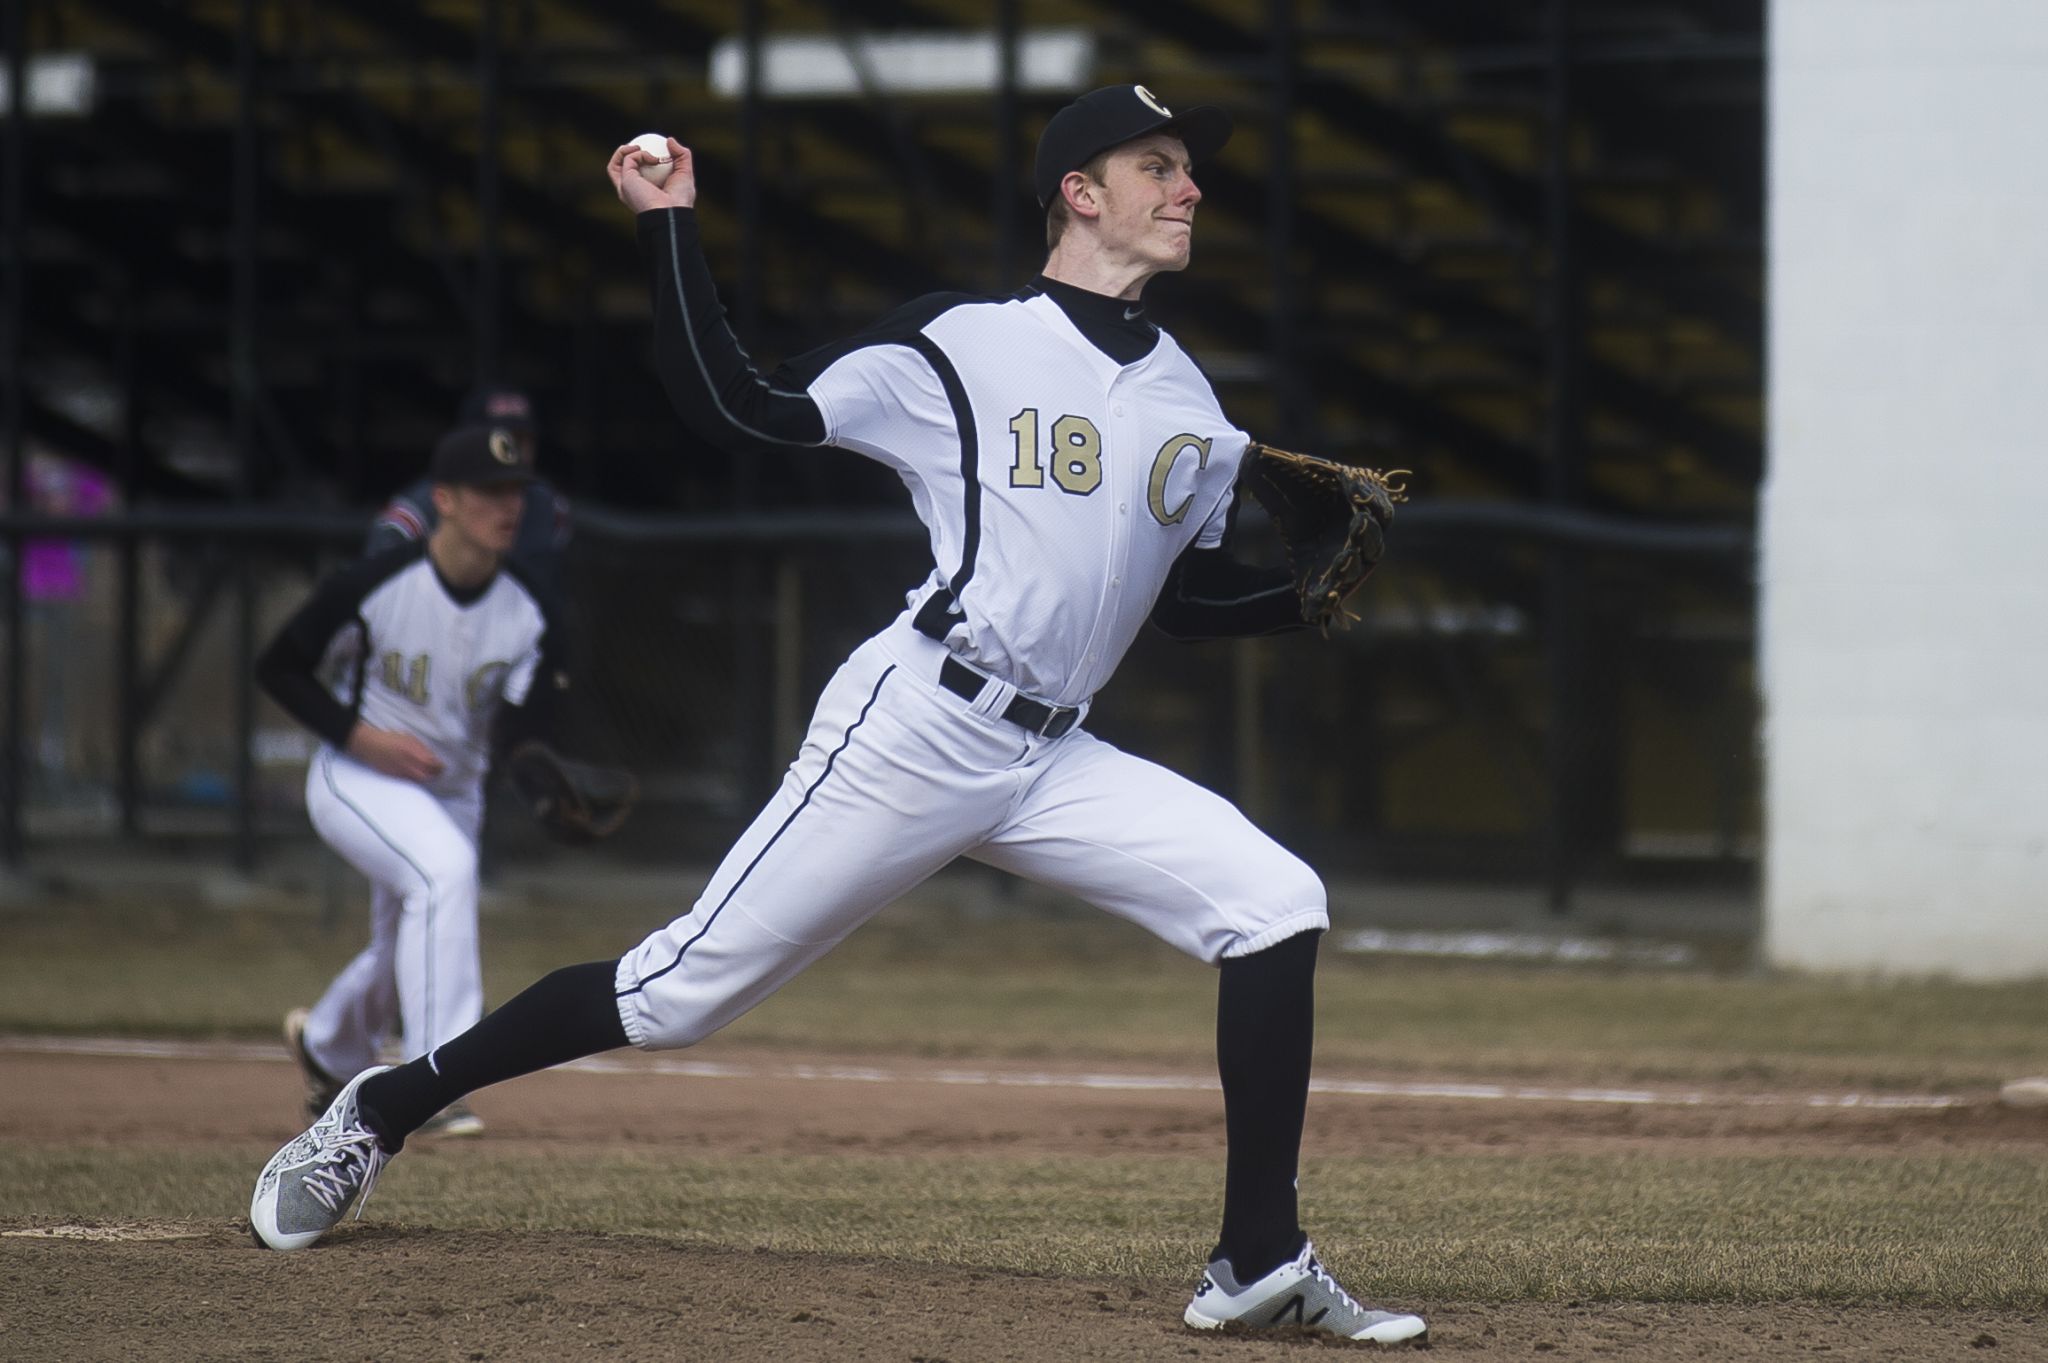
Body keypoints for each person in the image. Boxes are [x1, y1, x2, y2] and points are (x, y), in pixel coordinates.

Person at [249, 84, 1426, 1345]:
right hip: (918, 725)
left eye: (1187, 167)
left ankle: (1255, 1259)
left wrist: (1294, 600)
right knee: (674, 995)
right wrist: (667, 224)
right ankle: (378, 1108)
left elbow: (1179, 604)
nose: (1189, 187)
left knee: (1272, 901)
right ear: (1079, 194)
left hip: (1054, 755)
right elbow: (744, 407)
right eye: (1158, 164)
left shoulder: (1192, 400)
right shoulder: (964, 343)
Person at [258, 422, 566, 1139]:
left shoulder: (530, 609)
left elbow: (522, 730)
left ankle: (329, 1044)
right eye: (489, 490)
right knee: (444, 874)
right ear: (444, 499)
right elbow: (279, 666)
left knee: (415, 932)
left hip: (455, 791)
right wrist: (361, 737)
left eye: (515, 491)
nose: (508, 505)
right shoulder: (377, 583)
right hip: (357, 775)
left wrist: (545, 787)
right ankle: (435, 1080)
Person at [366, 387, 573, 594]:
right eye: (500, 440)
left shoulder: (550, 508)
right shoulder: (411, 519)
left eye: (522, 439)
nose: (511, 452)